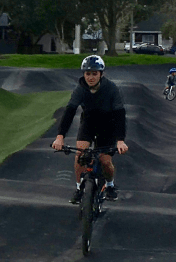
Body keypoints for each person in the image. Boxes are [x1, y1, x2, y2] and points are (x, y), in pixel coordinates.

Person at [50, 55, 129, 204]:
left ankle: (110, 186)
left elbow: (120, 114)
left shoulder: (111, 88)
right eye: (88, 73)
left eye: (94, 73)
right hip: (88, 122)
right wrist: (60, 136)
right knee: (80, 154)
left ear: (101, 74)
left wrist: (120, 140)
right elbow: (70, 111)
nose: (91, 77)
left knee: (105, 161)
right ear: (83, 74)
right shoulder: (80, 89)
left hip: (108, 125)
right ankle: (79, 188)